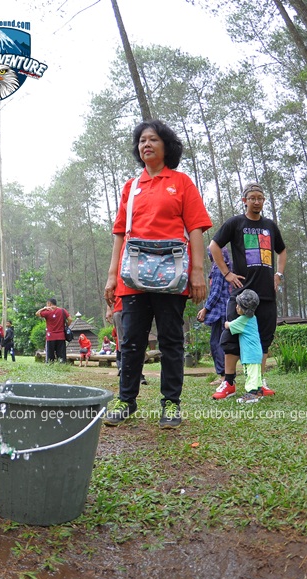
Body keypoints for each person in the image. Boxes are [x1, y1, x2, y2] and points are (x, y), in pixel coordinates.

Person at [103, 119, 211, 429]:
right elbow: (120, 234)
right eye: (141, 141)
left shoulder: (181, 182)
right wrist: (112, 275)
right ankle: (126, 399)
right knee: (132, 342)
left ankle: (171, 404)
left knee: (171, 340)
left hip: (172, 274)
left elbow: (195, 227)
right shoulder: (131, 187)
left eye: (152, 139)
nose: (146, 144)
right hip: (133, 276)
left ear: (166, 146)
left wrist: (198, 272)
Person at [209, 182, 287, 400]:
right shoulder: (235, 223)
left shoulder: (270, 226)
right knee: (232, 335)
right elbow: (214, 246)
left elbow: (282, 250)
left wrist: (278, 274)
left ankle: (259, 382)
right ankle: (229, 382)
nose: (256, 201)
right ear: (244, 200)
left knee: (263, 338)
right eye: (252, 198)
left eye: (260, 198)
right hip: (241, 291)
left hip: (266, 293)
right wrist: (227, 274)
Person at [197, 247, 232, 386]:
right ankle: (227, 376)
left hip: (220, 312)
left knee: (216, 343)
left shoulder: (218, 268)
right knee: (226, 343)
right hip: (228, 311)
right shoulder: (229, 267)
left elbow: (216, 292)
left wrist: (205, 309)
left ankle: (224, 377)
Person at [224, 289, 264, 404]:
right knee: (256, 374)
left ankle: (252, 394)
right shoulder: (253, 318)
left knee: (250, 374)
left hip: (250, 353)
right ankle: (259, 392)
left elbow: (229, 326)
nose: (236, 307)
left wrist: (226, 323)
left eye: (239, 305)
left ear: (245, 310)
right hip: (255, 352)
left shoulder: (243, 320)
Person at [36, 298, 71, 363]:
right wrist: (66, 326)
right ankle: (62, 364)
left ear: (49, 303)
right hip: (61, 336)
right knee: (61, 354)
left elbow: (37, 313)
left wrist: (44, 308)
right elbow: (70, 319)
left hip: (50, 337)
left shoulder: (47, 312)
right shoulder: (63, 310)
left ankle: (50, 364)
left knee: (50, 355)